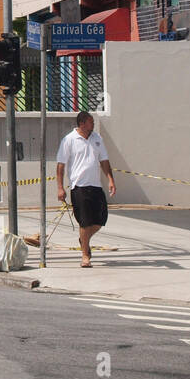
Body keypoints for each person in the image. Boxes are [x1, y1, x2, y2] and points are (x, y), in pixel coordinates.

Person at [56, 110, 116, 268]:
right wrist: (60, 188)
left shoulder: (97, 138)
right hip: (79, 186)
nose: (93, 124)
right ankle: (85, 255)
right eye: (90, 122)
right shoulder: (69, 140)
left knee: (100, 220)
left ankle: (84, 240)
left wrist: (110, 180)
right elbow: (61, 166)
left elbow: (104, 160)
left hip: (96, 185)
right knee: (85, 222)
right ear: (82, 123)